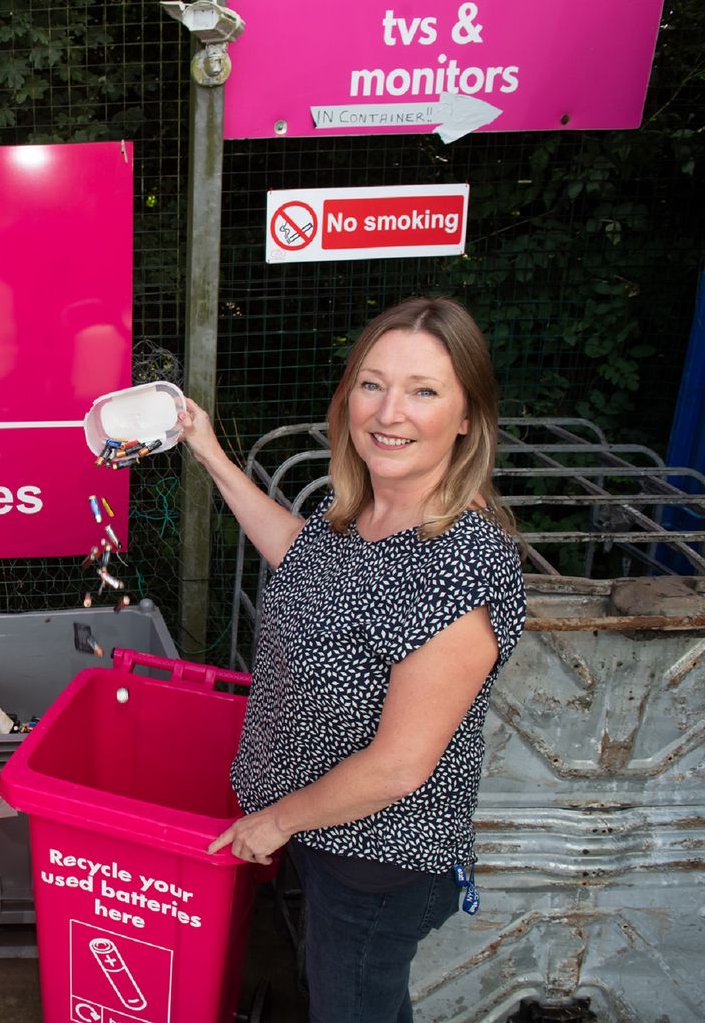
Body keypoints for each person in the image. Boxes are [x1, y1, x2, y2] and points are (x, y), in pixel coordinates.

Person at [191, 297, 526, 1023]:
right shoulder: (362, 512)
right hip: (324, 832)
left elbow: (399, 766)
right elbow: (301, 558)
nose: (388, 411)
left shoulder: (460, 564)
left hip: (376, 863)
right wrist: (209, 451)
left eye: (423, 390)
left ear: (468, 418)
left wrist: (274, 823)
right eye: (372, 384)